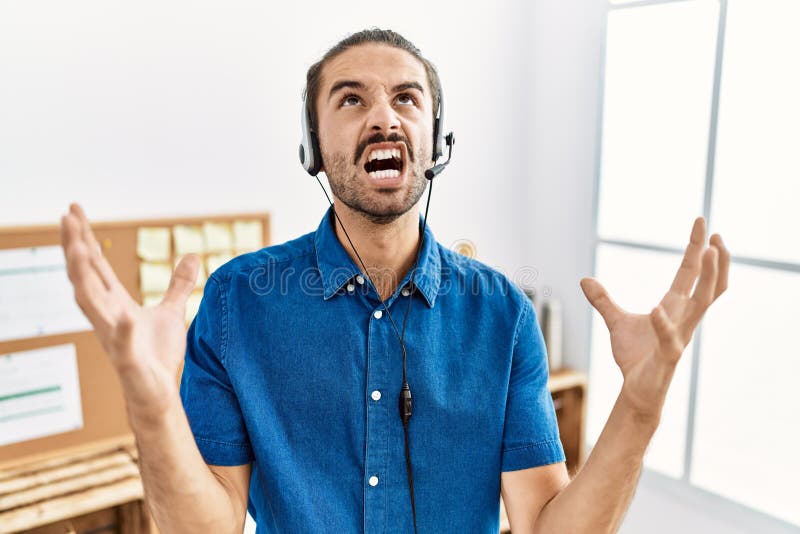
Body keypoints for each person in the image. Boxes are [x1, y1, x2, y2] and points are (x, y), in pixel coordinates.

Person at [61, 28, 730, 534]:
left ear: (436, 139)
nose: (384, 116)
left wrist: (639, 407)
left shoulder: (503, 316)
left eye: (406, 98)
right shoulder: (238, 303)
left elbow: (546, 527)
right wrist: (150, 402)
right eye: (351, 98)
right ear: (312, 147)